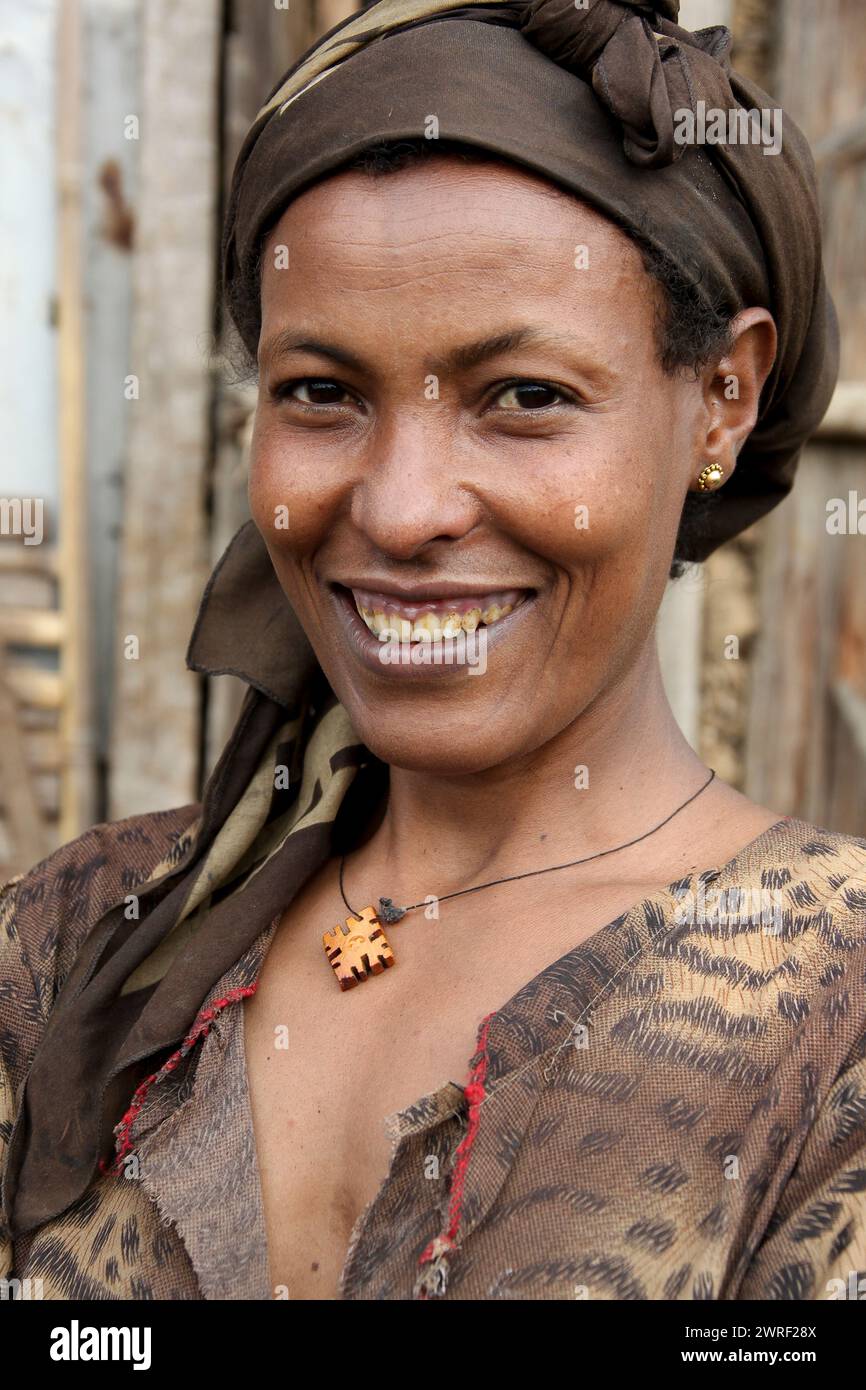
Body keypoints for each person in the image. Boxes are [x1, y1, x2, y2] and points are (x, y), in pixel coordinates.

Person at [2, 0, 864, 1302]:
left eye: (523, 396)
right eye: (321, 393)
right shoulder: (78, 938)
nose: (400, 509)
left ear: (722, 398)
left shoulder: (829, 1015)